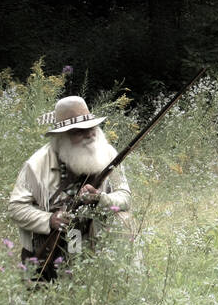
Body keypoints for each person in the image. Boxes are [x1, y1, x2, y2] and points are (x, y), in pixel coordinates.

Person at [9, 96, 132, 282]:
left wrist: (102, 199)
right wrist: (50, 219)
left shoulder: (108, 154)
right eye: (78, 132)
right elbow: (16, 208)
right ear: (61, 137)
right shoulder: (35, 165)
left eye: (91, 128)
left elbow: (124, 197)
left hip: (95, 244)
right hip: (50, 252)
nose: (89, 135)